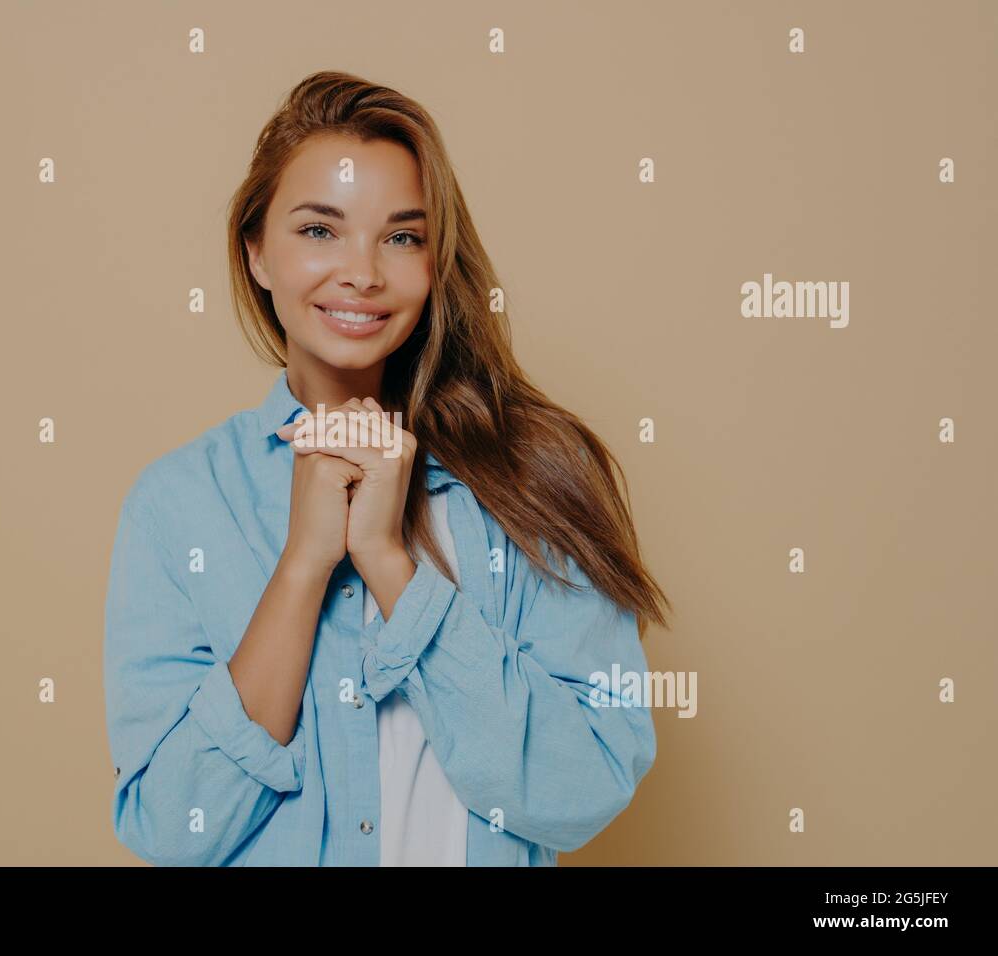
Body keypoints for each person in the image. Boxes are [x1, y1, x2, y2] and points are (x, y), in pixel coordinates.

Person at [103, 70, 672, 866]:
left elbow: (584, 787)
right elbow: (172, 827)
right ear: (257, 252)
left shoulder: (534, 474)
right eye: (319, 230)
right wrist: (304, 566)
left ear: (438, 262)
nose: (363, 272)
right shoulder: (179, 504)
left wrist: (389, 563)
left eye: (403, 236)